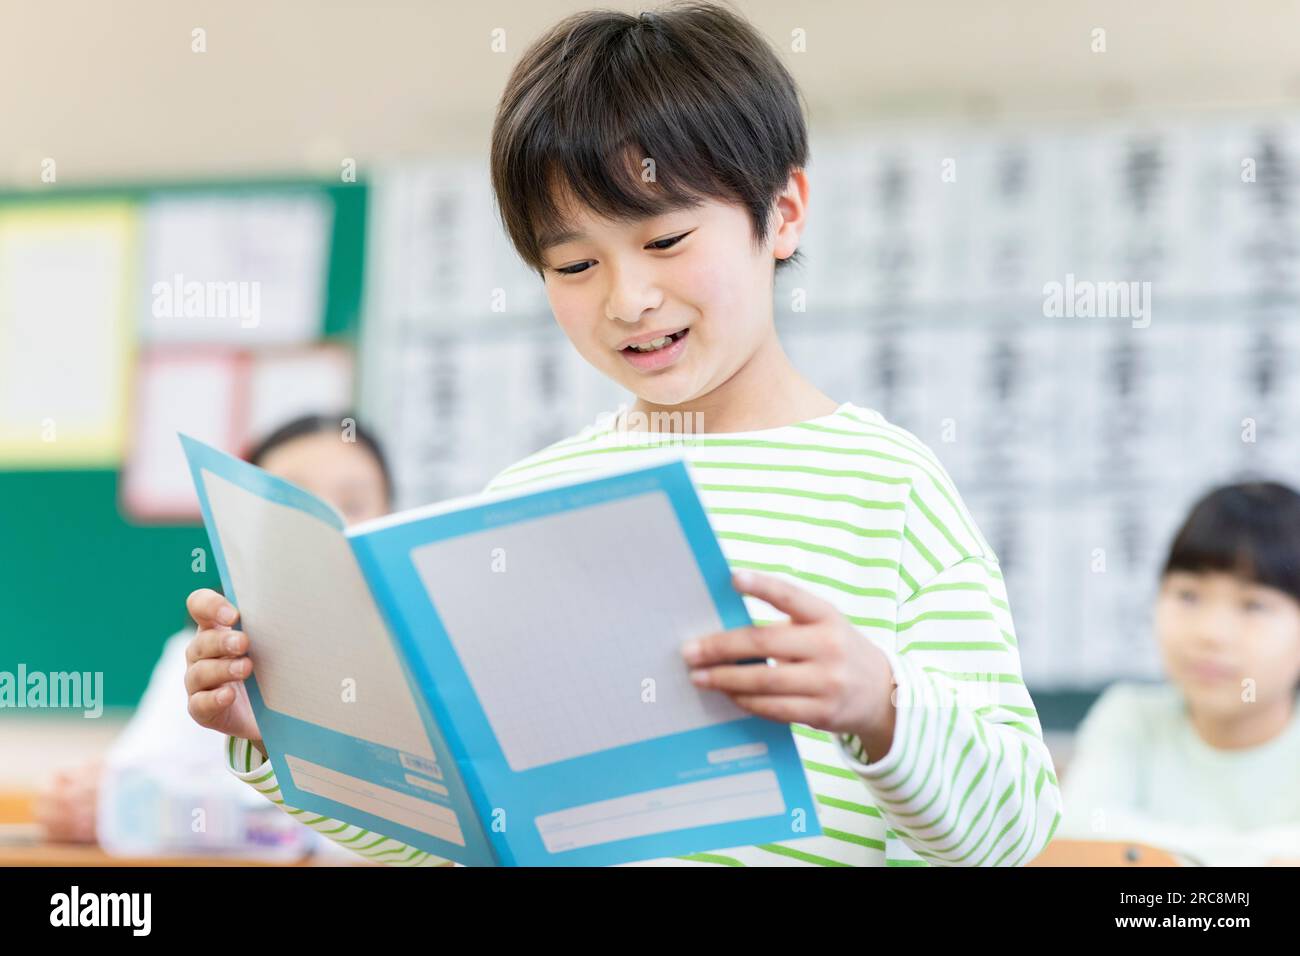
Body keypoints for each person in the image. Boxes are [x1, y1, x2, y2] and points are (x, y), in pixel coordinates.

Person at [183, 2, 1062, 867]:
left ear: (784, 212)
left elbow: (1013, 831)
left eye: (667, 238)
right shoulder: (523, 505)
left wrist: (883, 706)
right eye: (574, 264)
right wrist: (286, 734)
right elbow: (466, 833)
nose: (627, 299)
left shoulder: (891, 490)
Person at [35, 412, 392, 860]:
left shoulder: (423, 663)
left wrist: (193, 810)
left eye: (352, 504)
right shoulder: (209, 654)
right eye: (290, 503)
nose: (319, 526)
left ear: (391, 522)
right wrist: (87, 802)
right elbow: (123, 794)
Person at [1058, 481, 1300, 865]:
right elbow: (1077, 835)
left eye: (1253, 605)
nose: (1211, 634)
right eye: (1188, 595)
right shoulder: (1132, 716)